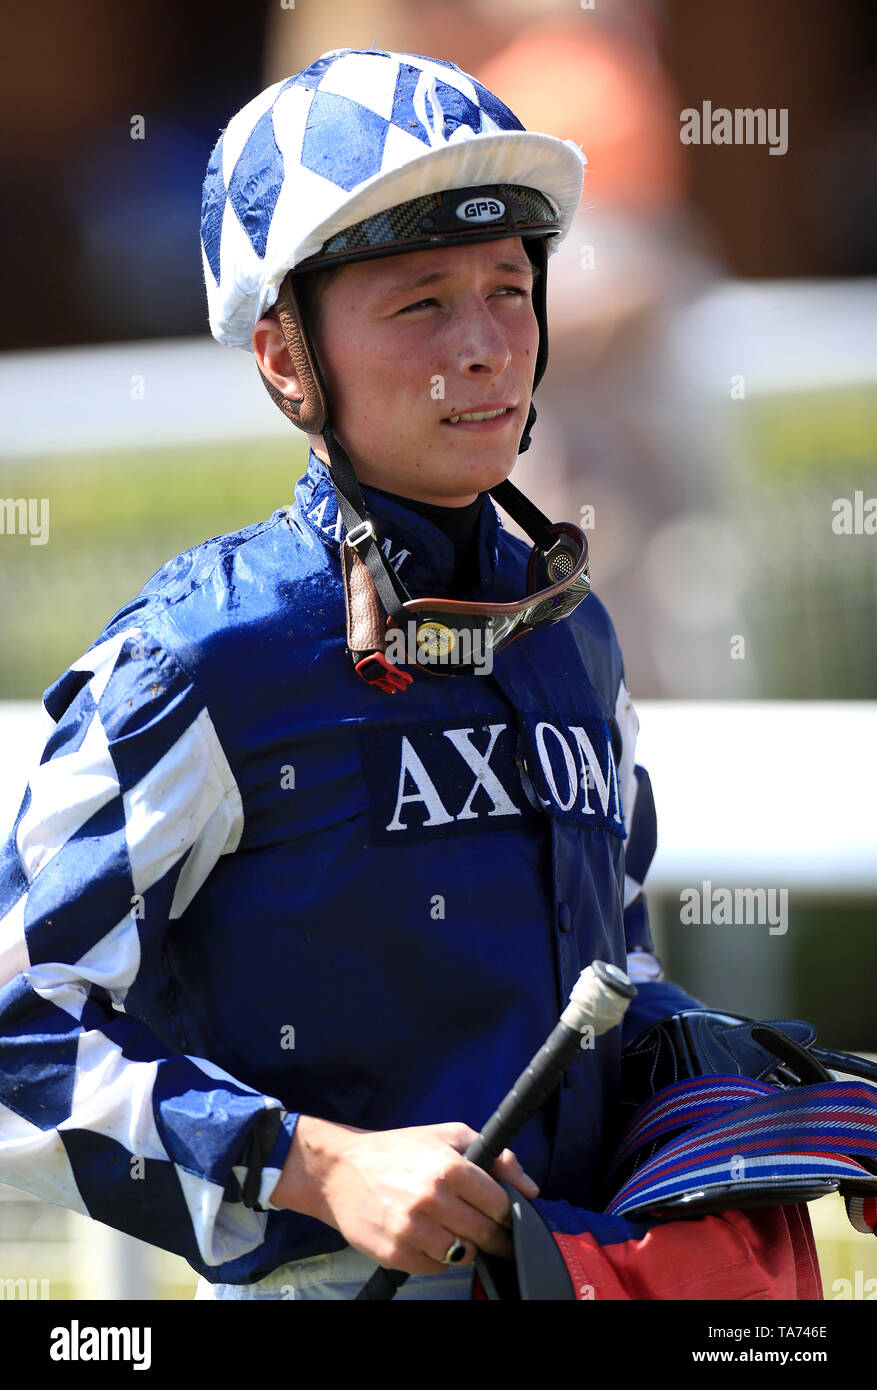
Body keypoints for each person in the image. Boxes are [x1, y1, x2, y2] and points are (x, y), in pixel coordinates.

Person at [0, 47, 821, 1301]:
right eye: (421, 303)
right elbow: (19, 1029)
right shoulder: (200, 660)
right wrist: (321, 1167)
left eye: (510, 286)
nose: (487, 347)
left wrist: (736, 1078)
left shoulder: (571, 633)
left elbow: (612, 978)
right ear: (285, 357)